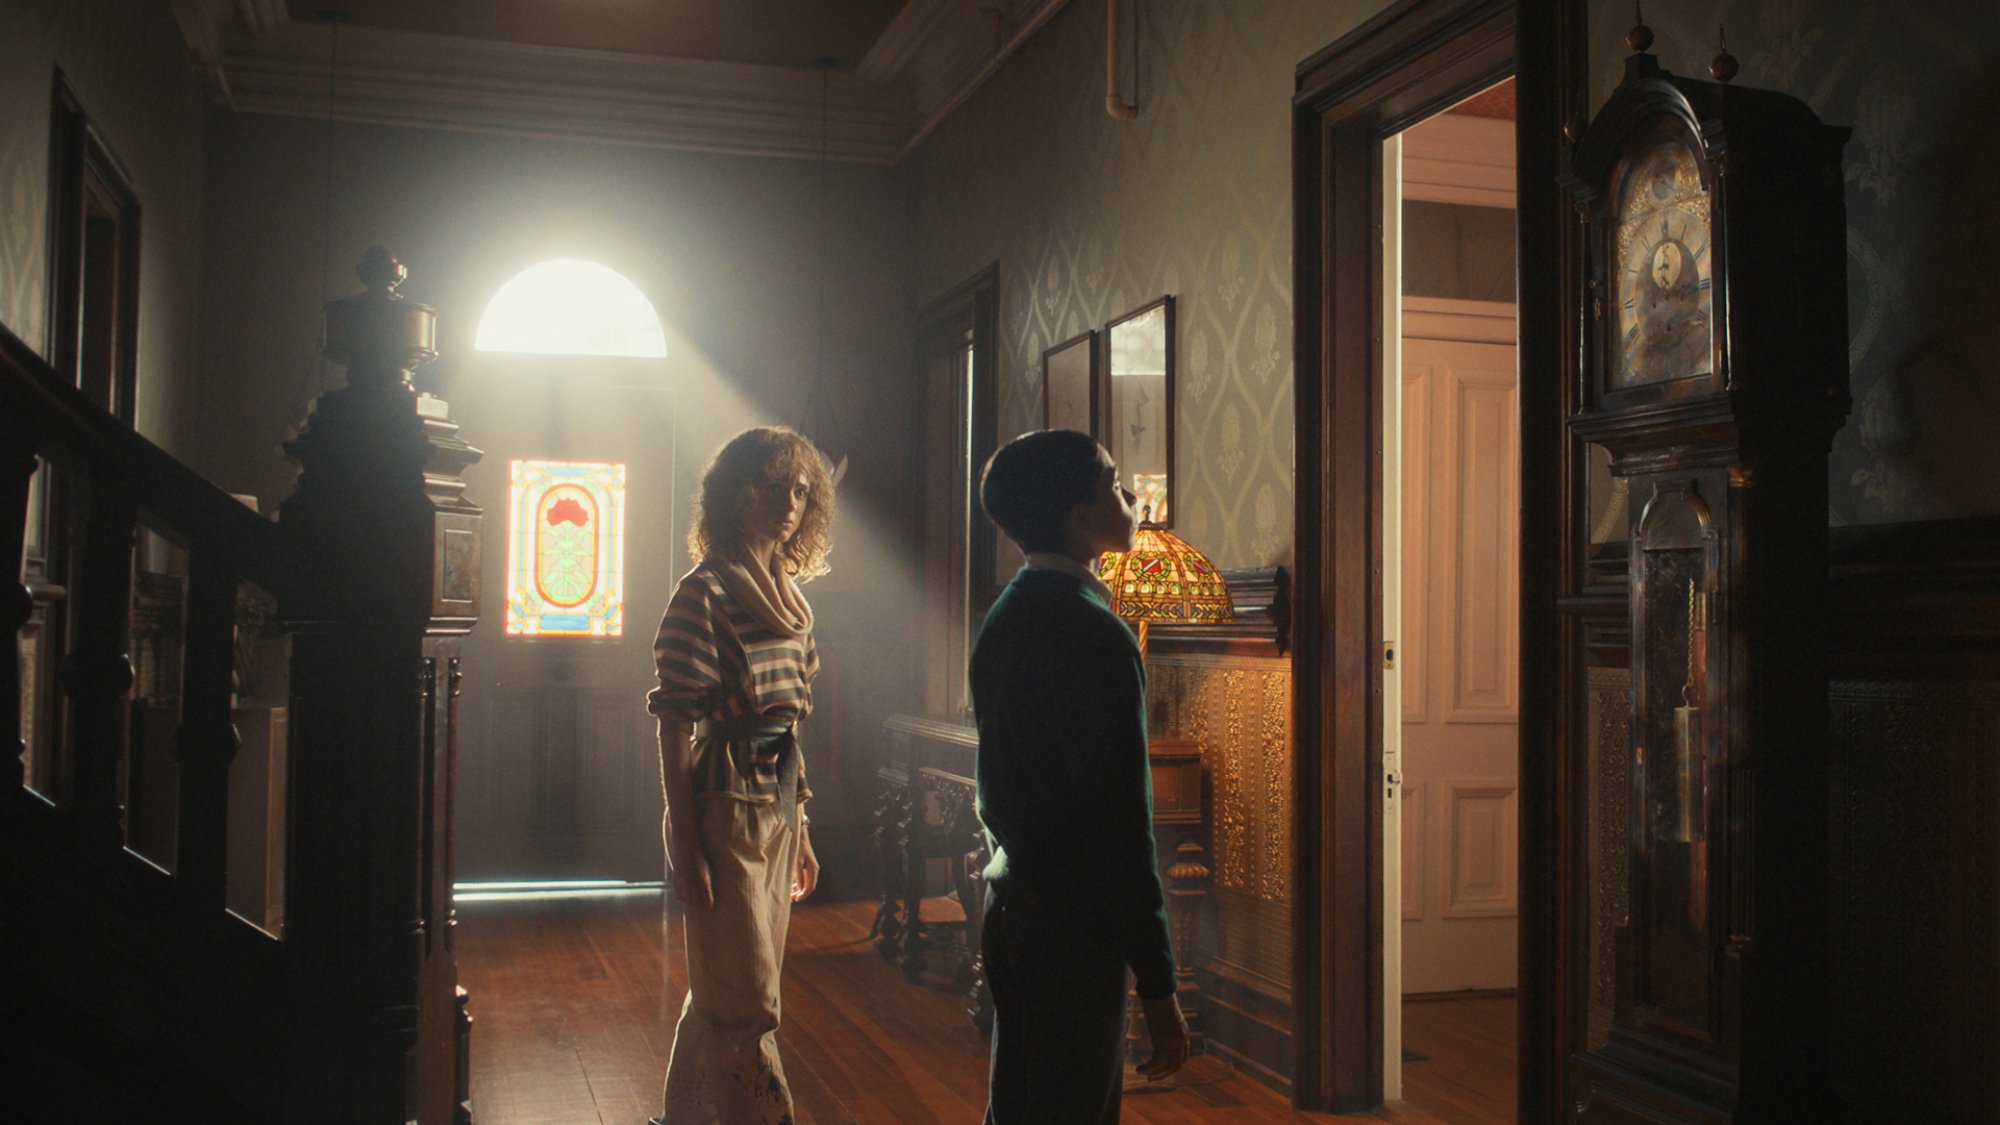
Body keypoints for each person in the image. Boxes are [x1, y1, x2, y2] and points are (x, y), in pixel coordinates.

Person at [971, 428, 1188, 1125]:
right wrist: (1158, 983)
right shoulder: (1095, 633)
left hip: (1011, 903)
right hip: (1072, 928)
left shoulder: (1003, 617)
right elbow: (1120, 826)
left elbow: (998, 787)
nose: (1129, 494)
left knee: (1018, 1106)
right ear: (1080, 515)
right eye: (1115, 480)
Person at [647, 425, 833, 1125]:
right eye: (773, 483)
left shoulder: (792, 601)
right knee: (747, 999)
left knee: (724, 990)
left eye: (802, 489)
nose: (789, 500)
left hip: (776, 807)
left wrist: (803, 827)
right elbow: (673, 720)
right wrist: (685, 839)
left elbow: (790, 731)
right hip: (723, 805)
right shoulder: (705, 593)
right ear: (735, 492)